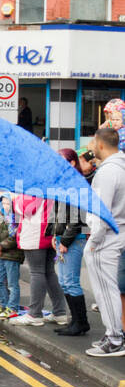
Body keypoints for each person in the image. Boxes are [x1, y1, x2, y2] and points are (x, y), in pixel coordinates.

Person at [82, 123, 125, 357]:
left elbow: (101, 211)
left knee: (105, 290)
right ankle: (113, 335)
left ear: (100, 144)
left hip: (106, 236)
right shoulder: (121, 166)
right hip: (118, 232)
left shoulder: (107, 172)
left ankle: (115, 339)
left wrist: (95, 241)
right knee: (109, 289)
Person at [50, 149, 91, 337]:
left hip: (74, 239)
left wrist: (64, 240)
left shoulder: (77, 185)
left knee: (71, 282)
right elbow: (58, 213)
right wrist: (53, 235)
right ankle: (75, 321)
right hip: (62, 238)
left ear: (72, 163)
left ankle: (81, 323)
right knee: (64, 282)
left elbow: (77, 219)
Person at [16, 193, 69, 327]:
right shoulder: (54, 187)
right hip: (51, 233)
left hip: (36, 233)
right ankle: (60, 312)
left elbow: (26, 208)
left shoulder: (35, 187)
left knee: (36, 272)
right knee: (49, 271)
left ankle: (34, 314)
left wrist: (16, 199)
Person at [0, 190, 24, 319]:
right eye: (3, 203)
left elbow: (14, 237)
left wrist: (0, 246)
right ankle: (4, 305)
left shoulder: (16, 217)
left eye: (8, 203)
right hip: (1, 254)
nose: (6, 206)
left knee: (12, 284)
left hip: (12, 255)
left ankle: (12, 307)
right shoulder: (0, 215)